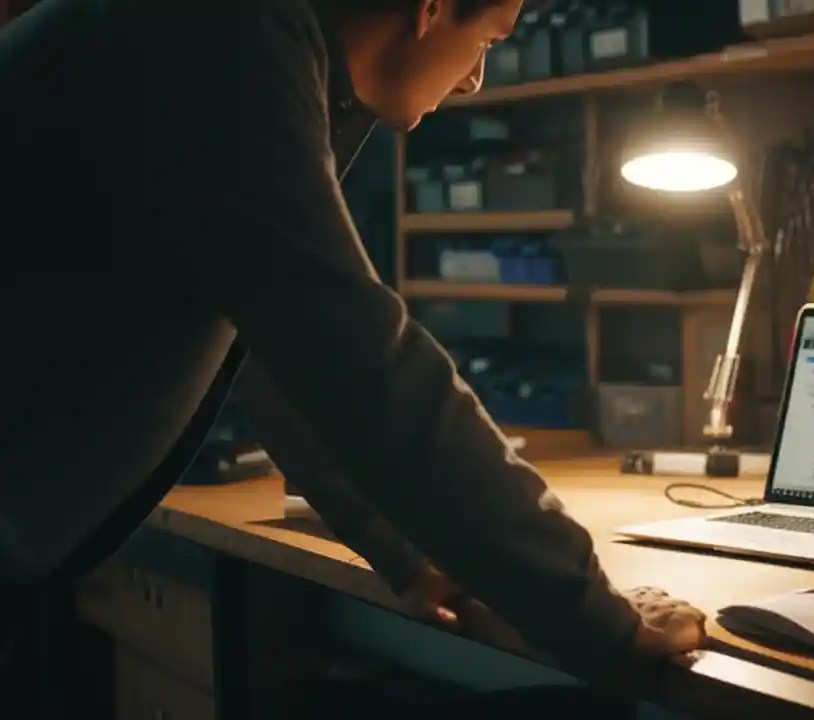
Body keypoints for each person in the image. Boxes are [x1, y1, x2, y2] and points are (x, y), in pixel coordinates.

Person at [0, 0, 706, 699]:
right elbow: (360, 358)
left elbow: (276, 338)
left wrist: (403, 546)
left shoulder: (250, 39)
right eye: (486, 40)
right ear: (430, 8)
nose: (475, 81)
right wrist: (597, 616)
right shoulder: (227, 36)